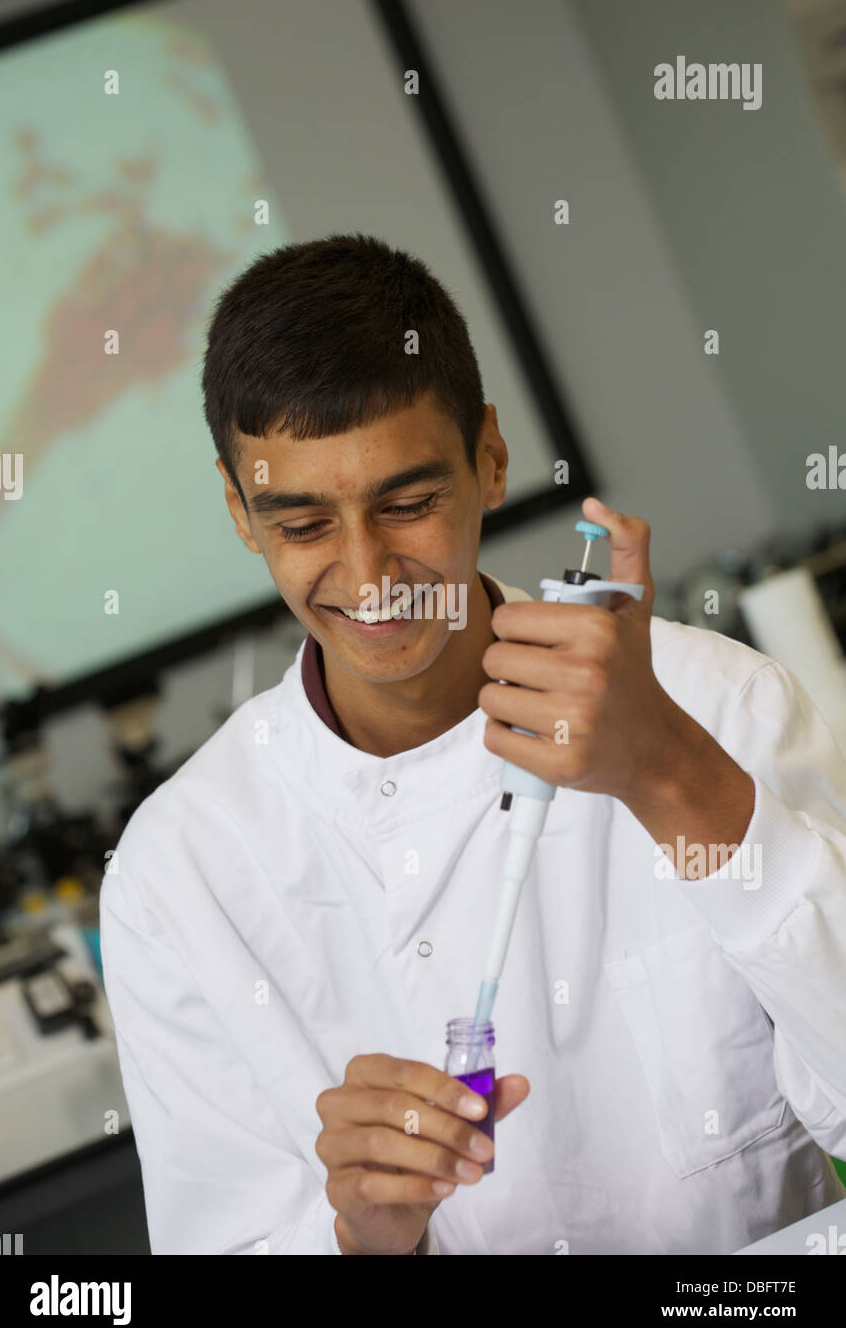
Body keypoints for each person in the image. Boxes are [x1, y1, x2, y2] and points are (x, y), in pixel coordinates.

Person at [100, 233, 846, 1255]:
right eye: (304, 523)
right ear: (240, 511)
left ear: (488, 458)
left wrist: (667, 772)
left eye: (406, 504)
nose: (369, 574)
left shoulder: (713, 703)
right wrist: (361, 1239)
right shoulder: (178, 874)